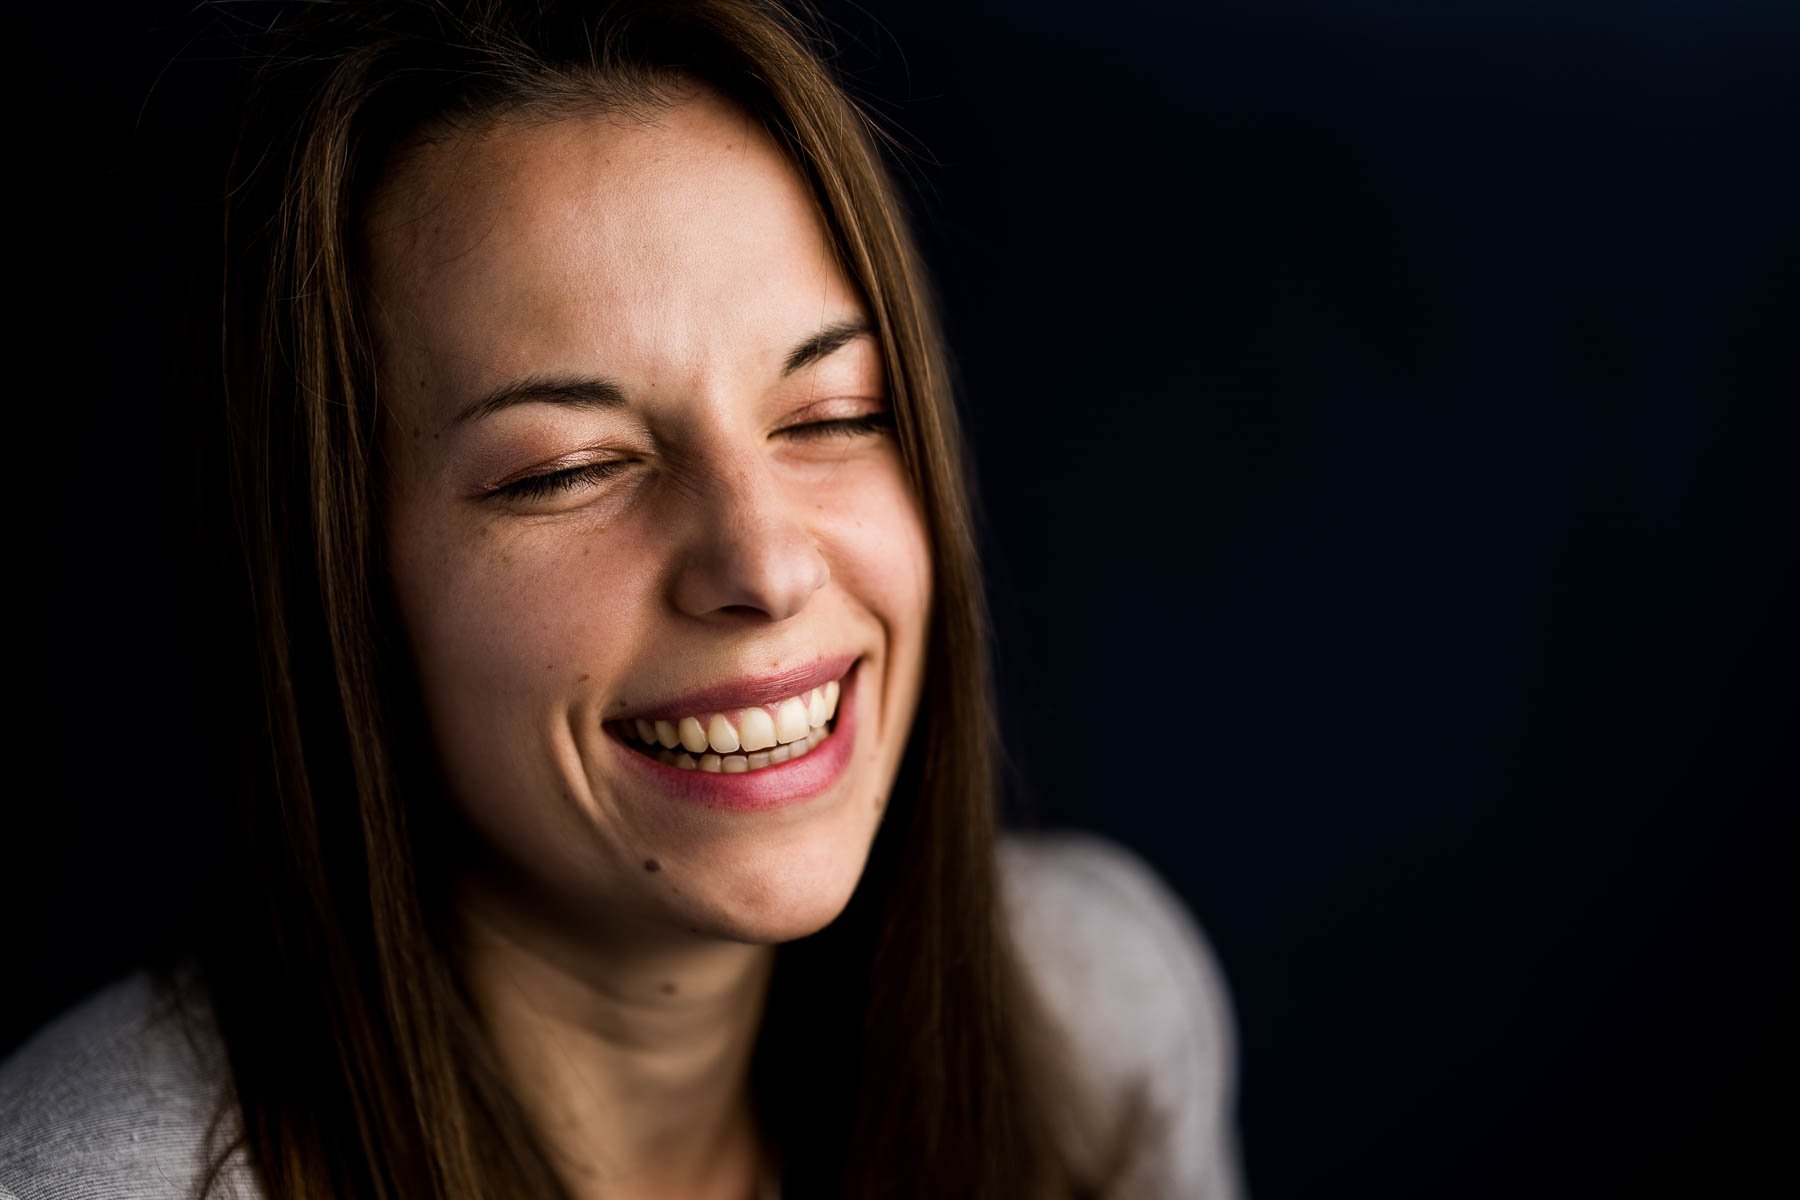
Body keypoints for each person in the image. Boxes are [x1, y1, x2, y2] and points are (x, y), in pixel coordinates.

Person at [0, 2, 1244, 1196]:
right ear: (342, 585)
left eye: (834, 415)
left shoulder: (1100, 1015)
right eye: (571, 470)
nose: (764, 565)